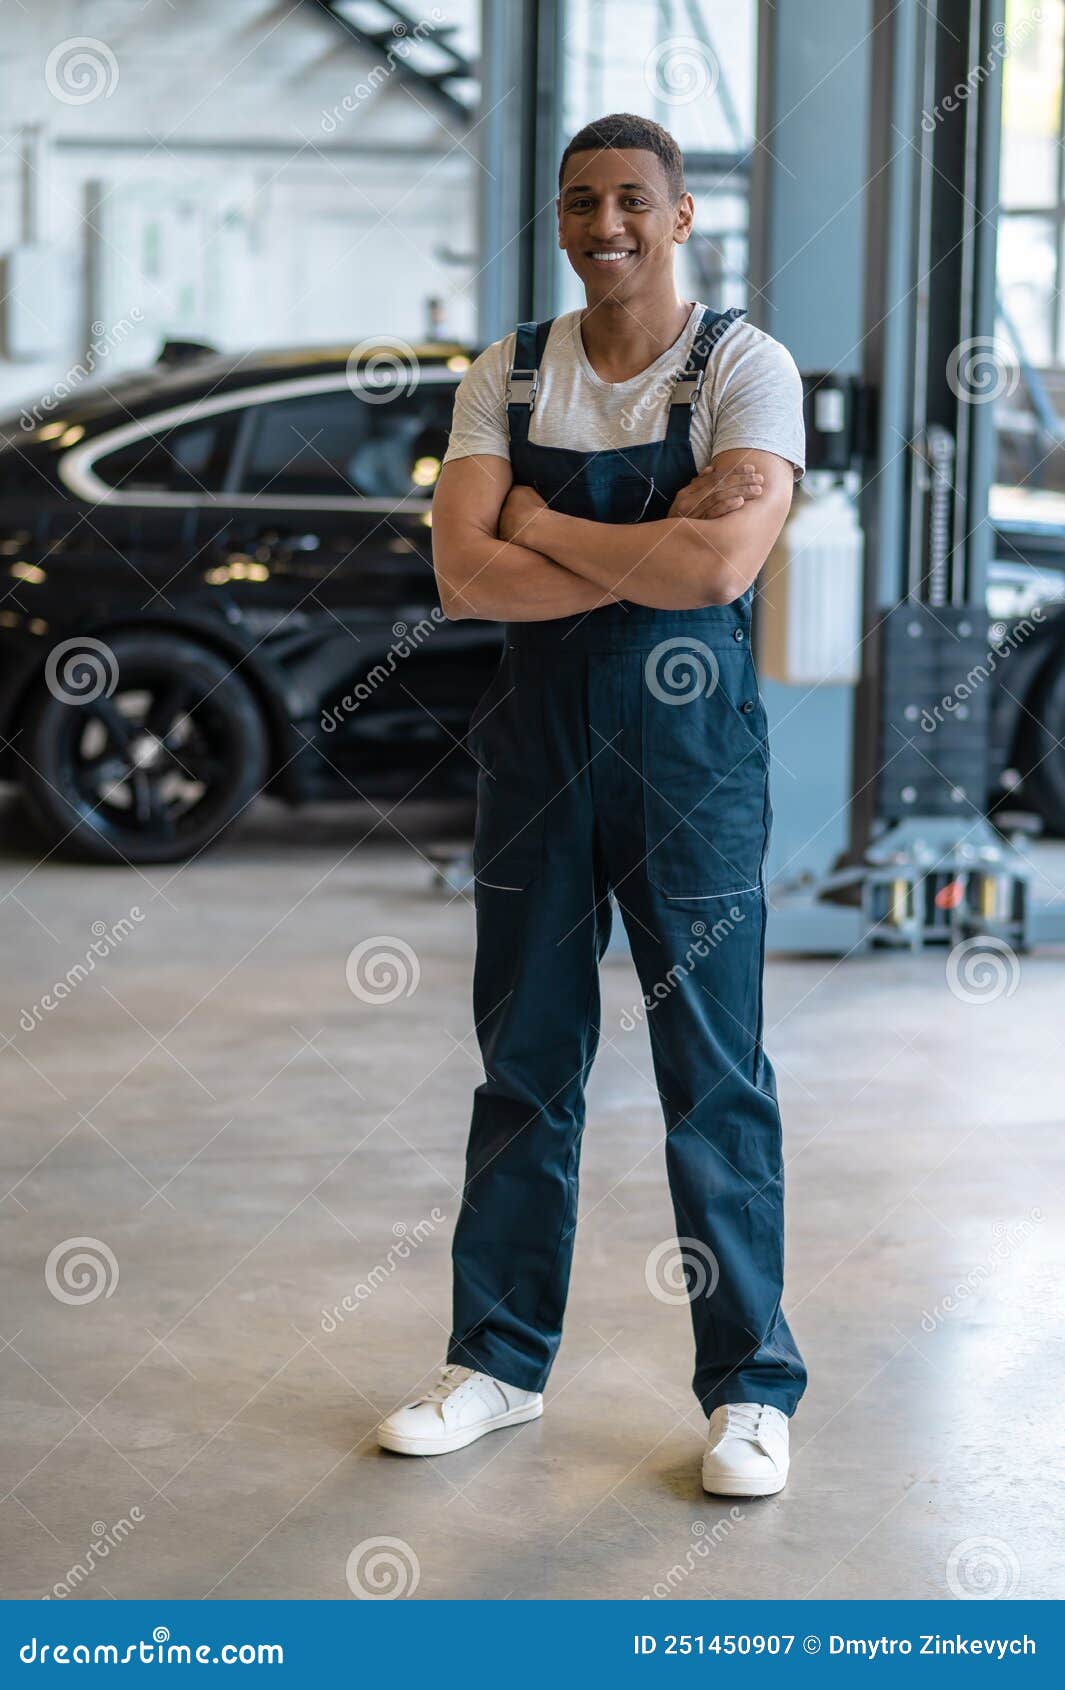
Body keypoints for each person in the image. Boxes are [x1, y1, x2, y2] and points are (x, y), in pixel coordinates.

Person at [376, 112, 807, 1497]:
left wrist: (542, 526)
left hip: (690, 769)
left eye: (631, 199)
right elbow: (463, 576)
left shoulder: (744, 366)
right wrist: (644, 538)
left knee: (714, 1072)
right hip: (534, 760)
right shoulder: (505, 374)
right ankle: (495, 1360)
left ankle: (749, 1389)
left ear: (681, 218)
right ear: (557, 221)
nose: (603, 223)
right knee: (524, 1064)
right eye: (578, 202)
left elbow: (719, 569)